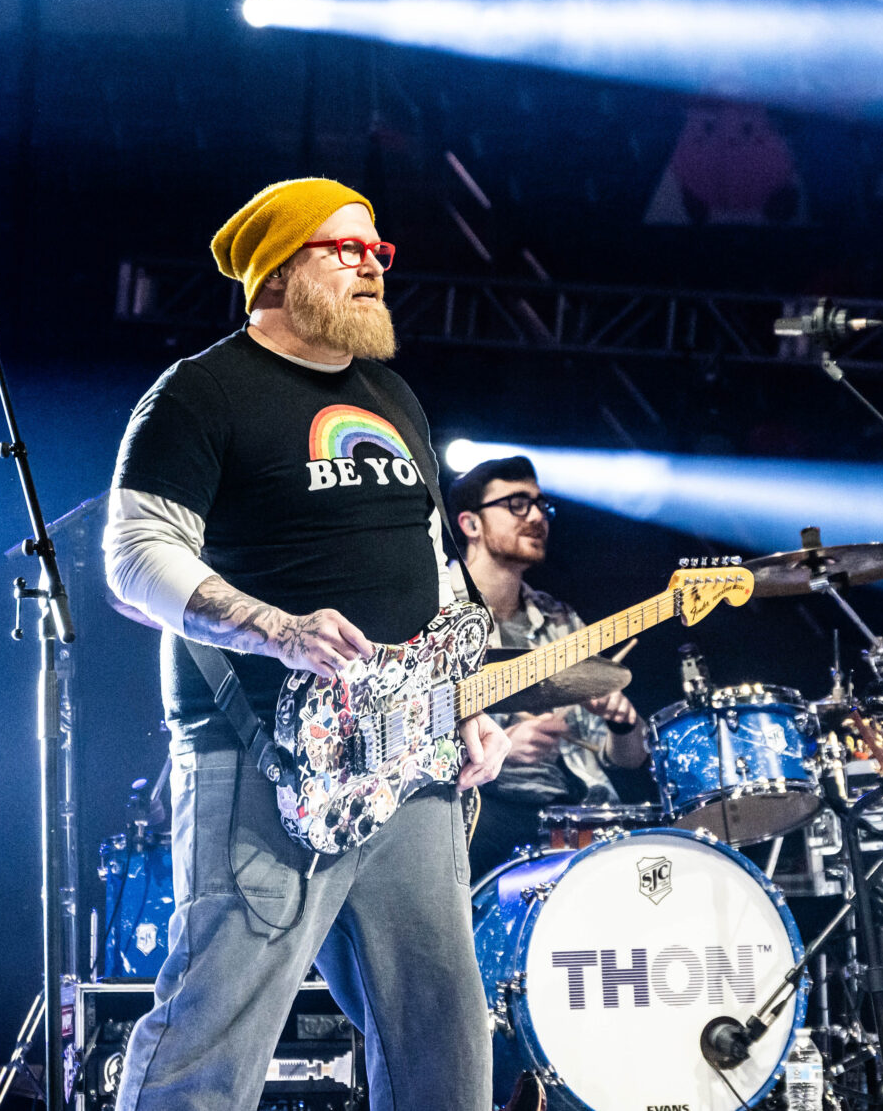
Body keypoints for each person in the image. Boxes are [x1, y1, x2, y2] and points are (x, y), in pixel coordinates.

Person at [102, 177, 510, 1111]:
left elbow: (438, 568)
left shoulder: (393, 395)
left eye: (380, 252)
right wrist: (274, 629)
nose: (373, 266)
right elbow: (134, 558)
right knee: (217, 1026)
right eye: (347, 249)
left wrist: (469, 702)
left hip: (409, 761)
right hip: (263, 757)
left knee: (443, 1038)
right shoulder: (204, 392)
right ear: (280, 272)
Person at [449, 456, 658, 880]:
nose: (537, 516)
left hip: (568, 810)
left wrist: (622, 723)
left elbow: (630, 759)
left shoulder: (560, 620)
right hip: (473, 806)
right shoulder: (436, 609)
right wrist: (501, 748)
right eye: (517, 504)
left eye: (542, 505)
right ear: (471, 524)